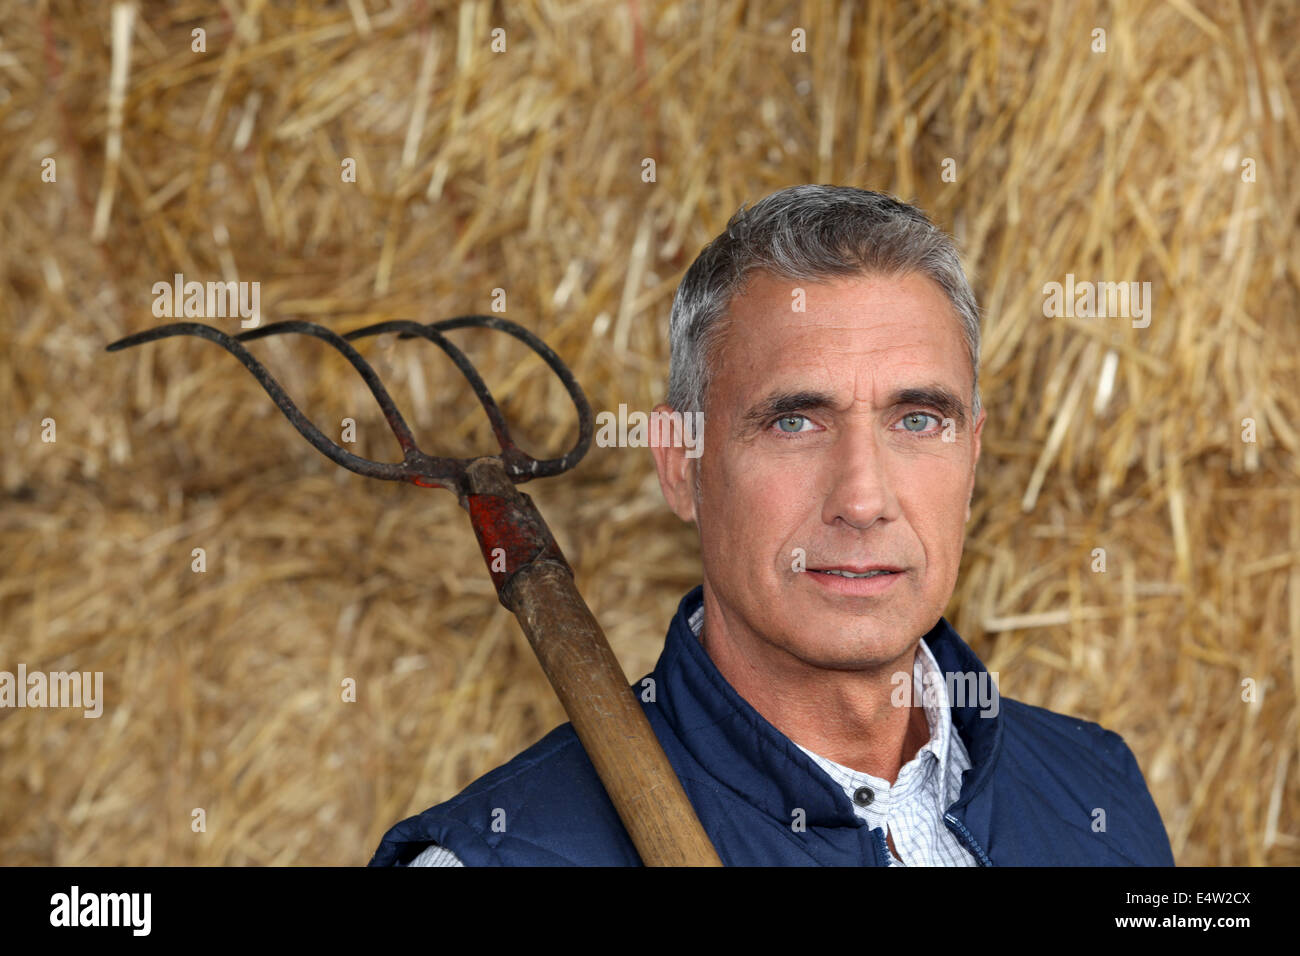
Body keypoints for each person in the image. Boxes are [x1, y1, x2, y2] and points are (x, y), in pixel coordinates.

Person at [369, 185, 1175, 866]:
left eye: (918, 420)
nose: (863, 499)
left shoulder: (1097, 793)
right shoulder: (505, 855)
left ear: (973, 459)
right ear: (681, 465)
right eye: (794, 423)